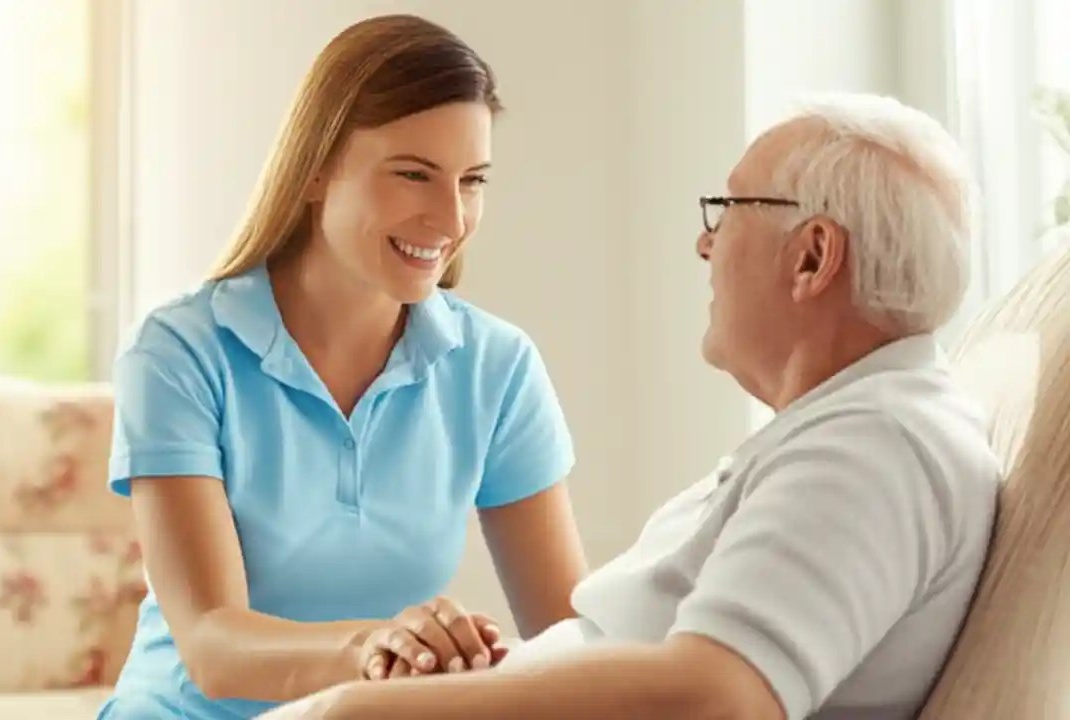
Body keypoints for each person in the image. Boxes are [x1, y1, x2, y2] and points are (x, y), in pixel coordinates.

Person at [262, 93, 1002, 720]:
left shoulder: (874, 448)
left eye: (728, 210)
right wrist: (470, 670)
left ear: (812, 257)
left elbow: (718, 698)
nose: (705, 244)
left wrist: (355, 710)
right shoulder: (856, 430)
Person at [97, 13, 589, 720]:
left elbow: (568, 643)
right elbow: (211, 646)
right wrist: (373, 650)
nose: (451, 219)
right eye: (414, 175)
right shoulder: (178, 352)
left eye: (472, 181)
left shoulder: (497, 367)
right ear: (316, 169)